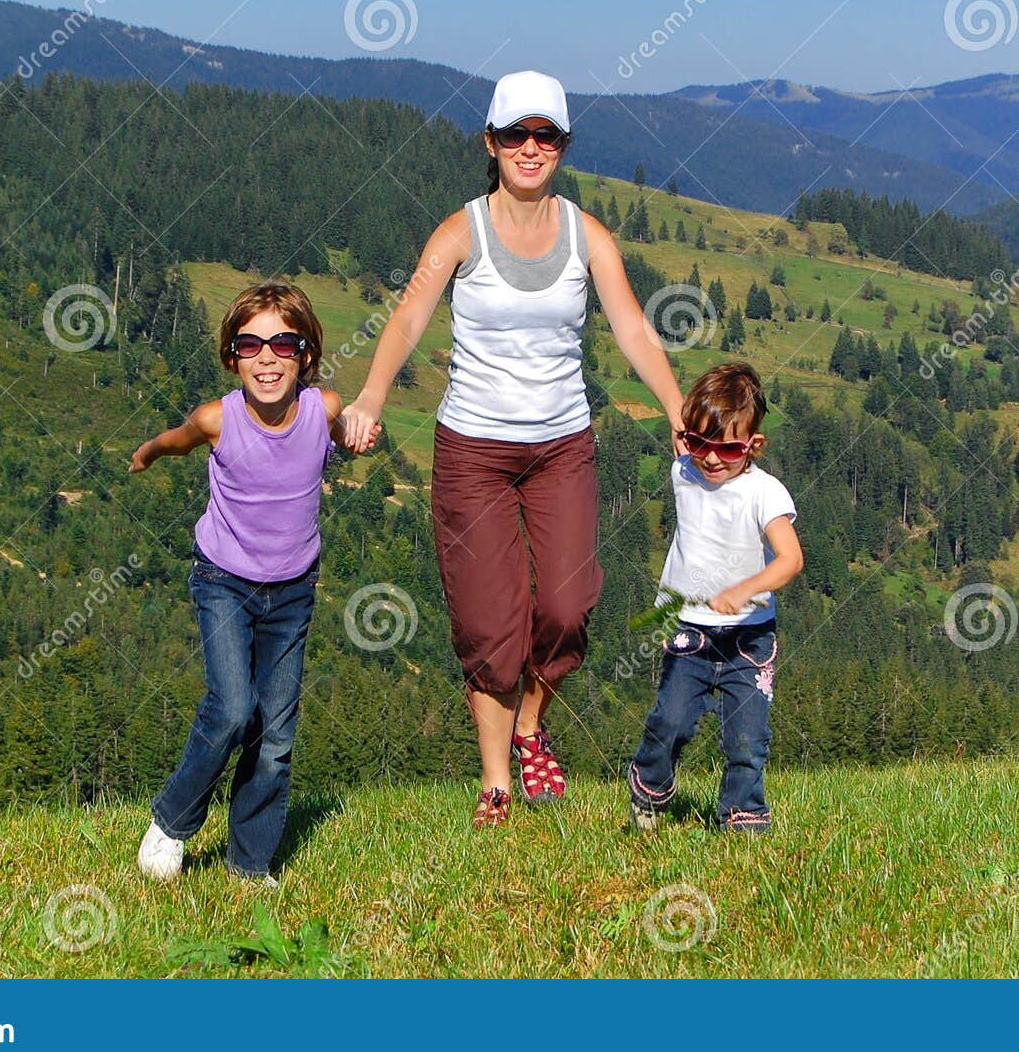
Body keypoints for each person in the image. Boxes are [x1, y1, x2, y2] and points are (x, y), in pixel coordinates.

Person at [340, 70, 686, 826]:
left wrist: (675, 406)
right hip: (472, 451)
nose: (531, 149)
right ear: (490, 143)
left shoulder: (588, 236)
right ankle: (497, 777)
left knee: (567, 608)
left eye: (547, 136)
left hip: (563, 446)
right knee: (490, 622)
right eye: (516, 135)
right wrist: (369, 395)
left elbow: (631, 327)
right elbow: (405, 321)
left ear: (563, 146)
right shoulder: (459, 232)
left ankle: (533, 721)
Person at [128, 283, 349, 881]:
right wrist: (147, 453)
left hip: (293, 591)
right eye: (250, 344)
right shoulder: (216, 420)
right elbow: (176, 441)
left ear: (306, 354)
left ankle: (250, 865)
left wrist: (356, 438)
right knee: (231, 709)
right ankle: (171, 823)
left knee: (274, 733)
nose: (267, 357)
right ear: (232, 357)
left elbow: (342, 434)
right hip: (223, 580)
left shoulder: (320, 409)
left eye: (284, 342)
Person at [629, 363, 803, 834]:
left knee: (747, 737)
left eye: (727, 447)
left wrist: (744, 590)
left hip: (749, 637)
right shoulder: (684, 468)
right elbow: (680, 427)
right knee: (672, 721)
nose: (710, 458)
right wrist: (684, 424)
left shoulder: (765, 493)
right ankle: (650, 785)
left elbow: (790, 559)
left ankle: (743, 816)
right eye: (699, 443)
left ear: (754, 445)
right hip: (687, 627)